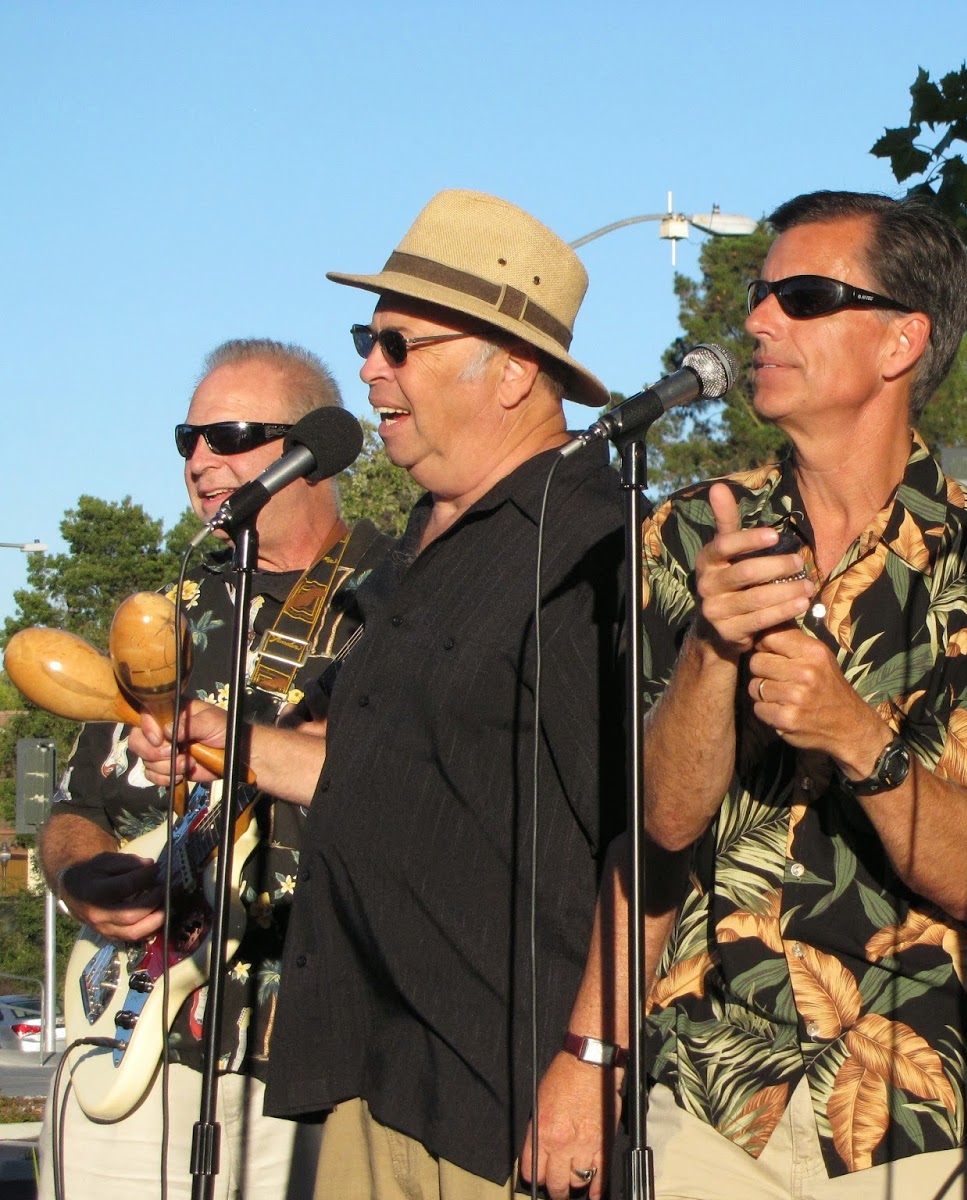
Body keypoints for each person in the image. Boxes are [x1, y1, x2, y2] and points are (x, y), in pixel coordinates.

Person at [134, 189, 638, 1200]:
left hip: (507, 1100)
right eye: (368, 336)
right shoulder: (412, 545)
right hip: (376, 1068)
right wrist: (221, 740)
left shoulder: (596, 546)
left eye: (398, 343)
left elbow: (649, 838)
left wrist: (591, 1063)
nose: (368, 367)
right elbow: (395, 771)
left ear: (512, 369)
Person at [638, 190, 967, 1200]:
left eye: (803, 297)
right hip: (708, 1099)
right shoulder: (679, 539)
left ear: (899, 343)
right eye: (760, 296)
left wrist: (853, 732)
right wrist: (712, 646)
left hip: (917, 1116)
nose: (757, 322)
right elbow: (659, 821)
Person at [39, 338, 392, 1199]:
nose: (200, 462)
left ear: (314, 446)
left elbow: (415, 788)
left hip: (297, 1063)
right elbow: (73, 806)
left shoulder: (394, 598)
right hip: (127, 1040)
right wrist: (83, 874)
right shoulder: (173, 612)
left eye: (229, 436)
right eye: (186, 440)